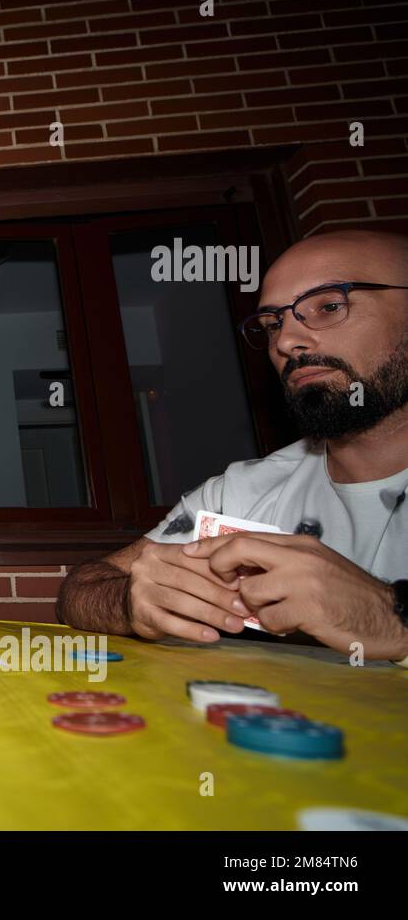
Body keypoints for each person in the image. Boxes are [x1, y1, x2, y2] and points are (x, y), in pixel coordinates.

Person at [56, 230, 408, 664]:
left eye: (329, 306)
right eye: (273, 324)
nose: (285, 342)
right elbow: (83, 588)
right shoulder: (243, 492)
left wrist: (392, 619)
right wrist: (130, 603)